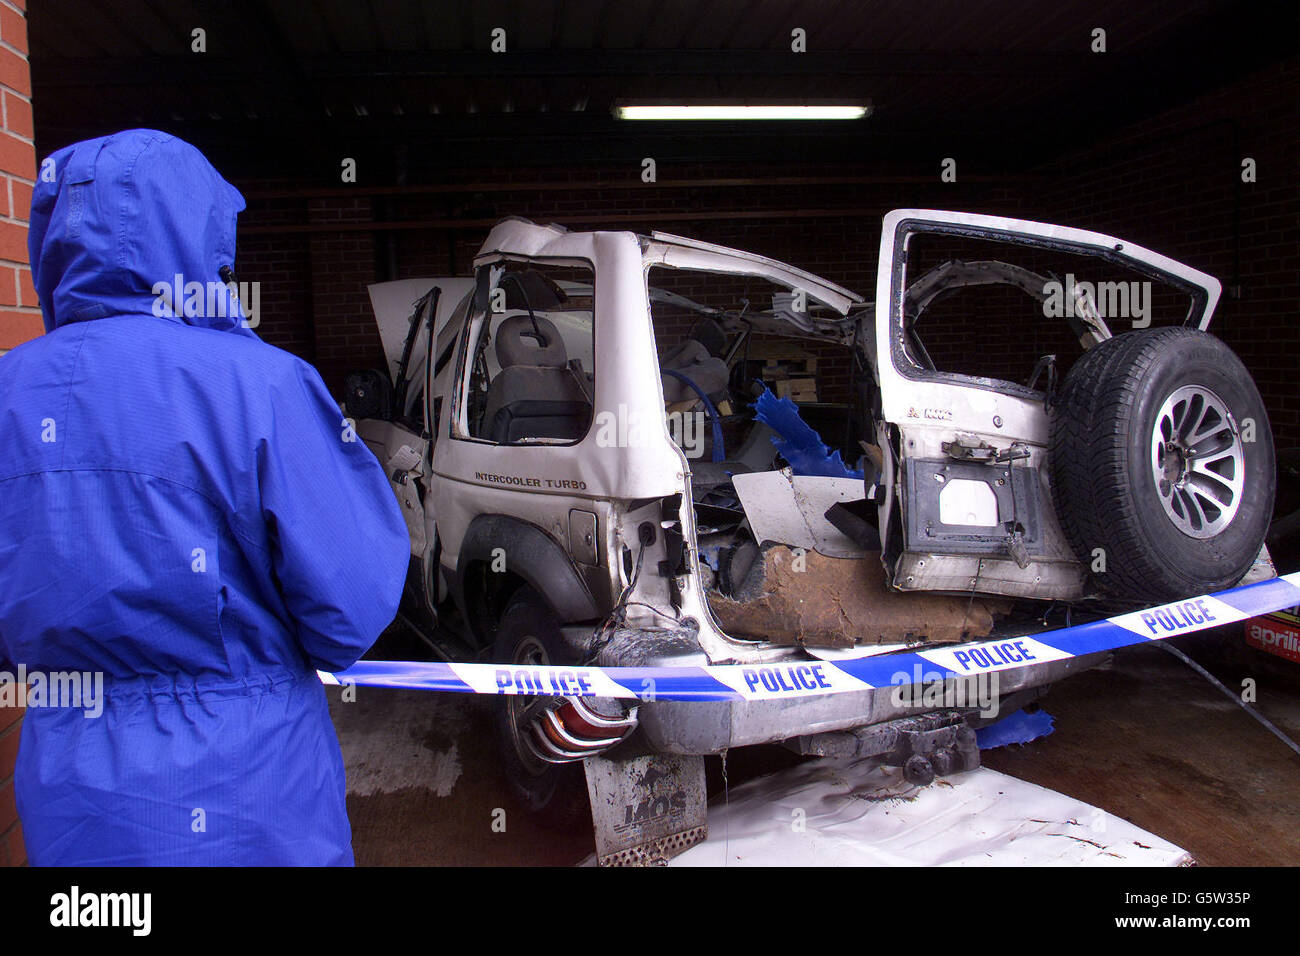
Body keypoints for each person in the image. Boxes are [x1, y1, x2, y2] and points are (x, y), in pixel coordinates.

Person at [0, 129, 410, 865]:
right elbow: (352, 603)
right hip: (249, 796)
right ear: (198, 231)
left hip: (73, 799)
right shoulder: (264, 386)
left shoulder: (9, 394)